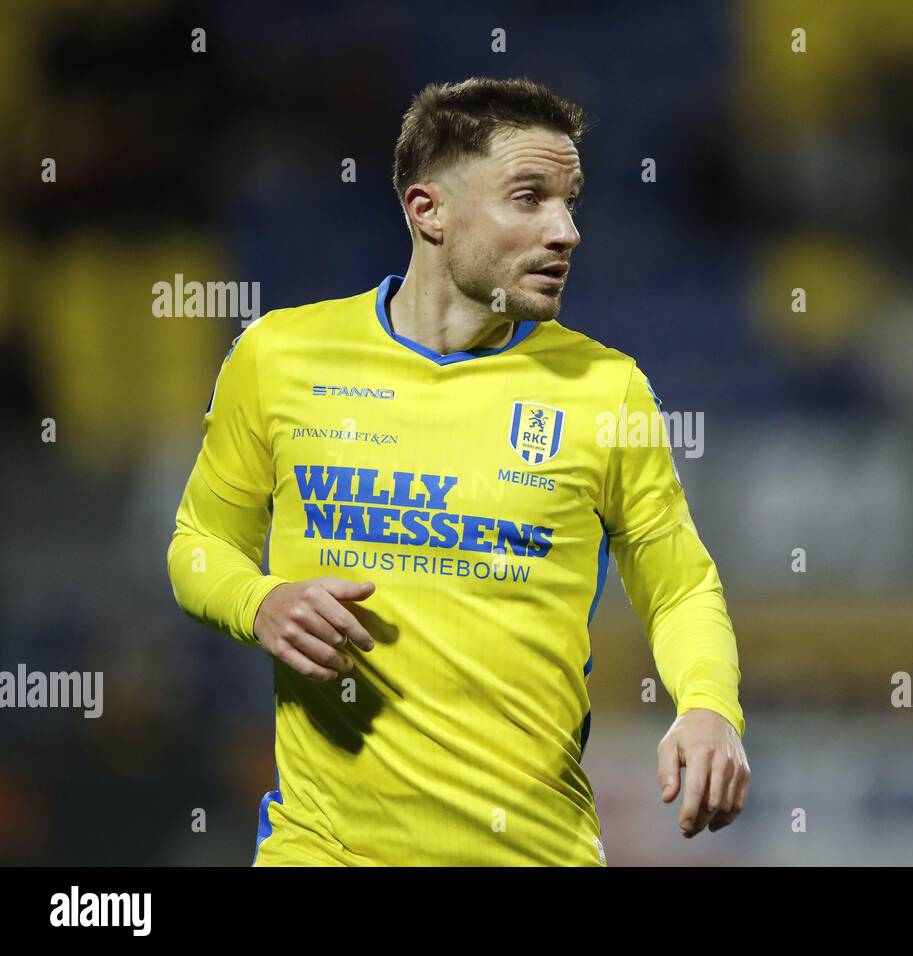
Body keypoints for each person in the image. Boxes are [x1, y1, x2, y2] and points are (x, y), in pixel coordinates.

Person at [166, 76, 749, 866]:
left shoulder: (606, 389)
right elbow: (200, 542)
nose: (566, 230)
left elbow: (679, 586)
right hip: (322, 849)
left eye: (570, 200)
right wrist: (257, 601)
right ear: (427, 210)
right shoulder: (279, 357)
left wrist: (709, 709)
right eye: (530, 197)